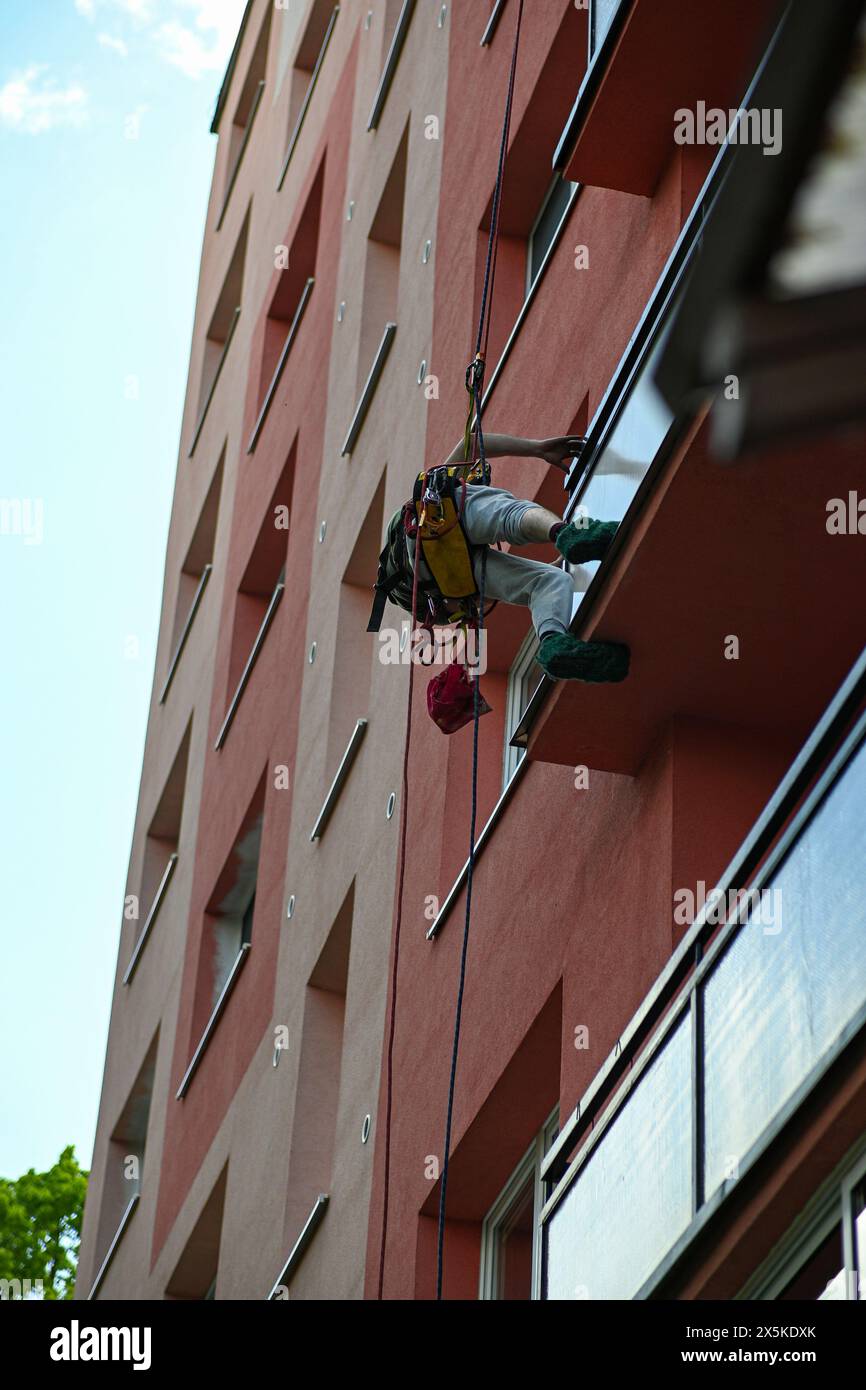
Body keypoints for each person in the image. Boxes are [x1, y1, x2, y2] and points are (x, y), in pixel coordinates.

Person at [408, 432, 630, 683]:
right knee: (512, 513)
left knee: (547, 581)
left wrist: (547, 567)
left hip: (447, 577)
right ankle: (566, 533)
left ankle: (553, 643)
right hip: (432, 527)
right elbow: (470, 442)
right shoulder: (448, 490)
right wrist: (538, 448)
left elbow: (498, 588)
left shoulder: (432, 582)